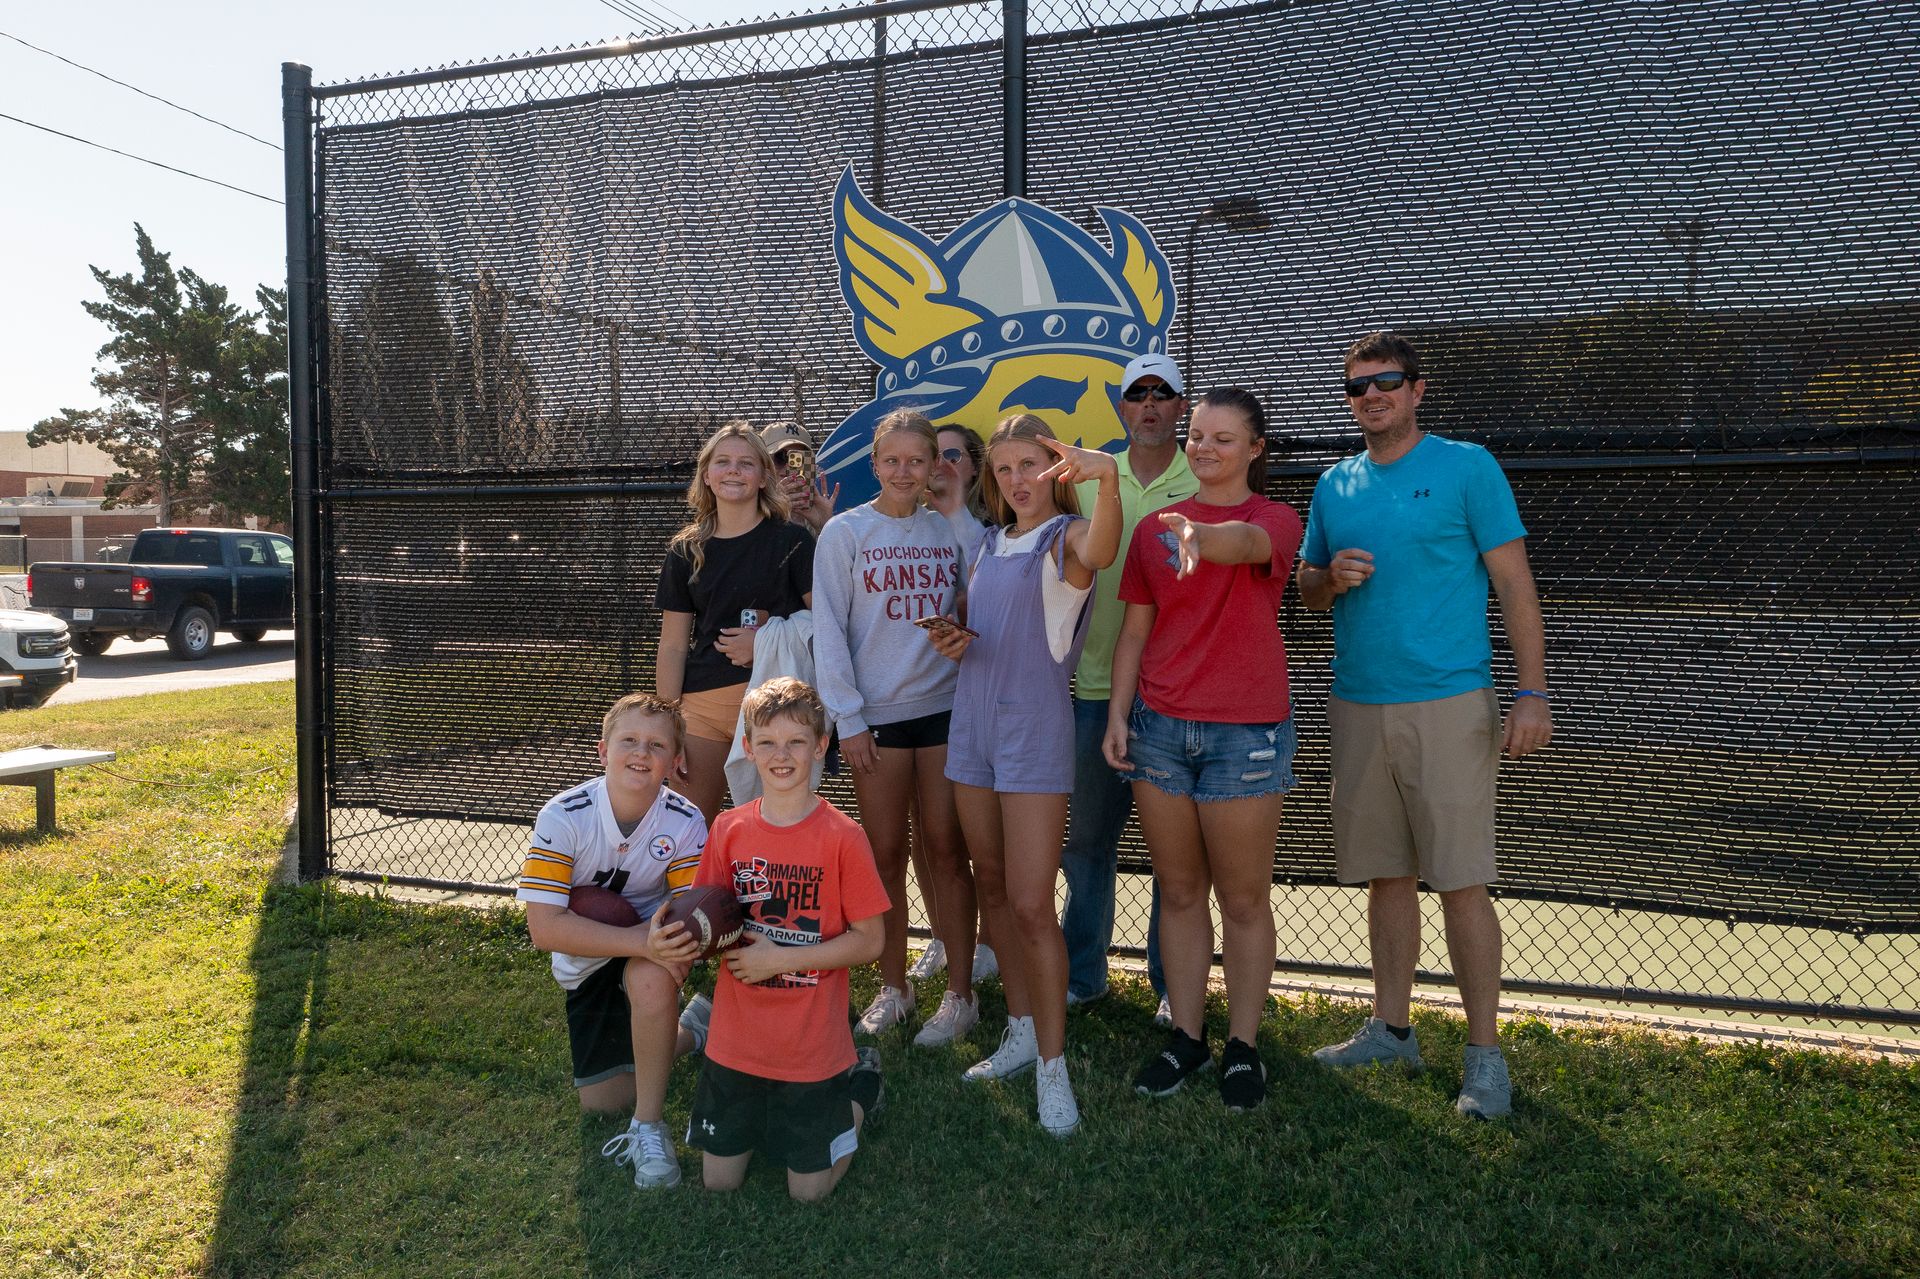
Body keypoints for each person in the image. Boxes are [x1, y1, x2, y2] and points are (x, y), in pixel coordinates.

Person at [1296, 332, 1552, 1121]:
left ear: (1417, 390)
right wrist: (1327, 579)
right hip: (1358, 701)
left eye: (1387, 381)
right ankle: (1393, 1027)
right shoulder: (1334, 486)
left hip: (1449, 702)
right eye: (1357, 386)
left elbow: (1514, 583)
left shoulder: (1466, 466)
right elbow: (1306, 587)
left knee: (1462, 881)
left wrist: (1533, 690)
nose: (1371, 395)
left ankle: (1485, 1059)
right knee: (1387, 875)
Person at [1105, 388, 1303, 1112]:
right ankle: (1186, 1037)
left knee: (1244, 899)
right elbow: (1134, 632)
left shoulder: (1273, 519)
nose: (1204, 448)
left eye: (1224, 438)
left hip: (1245, 736)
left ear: (1255, 449)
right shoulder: (1152, 526)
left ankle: (1242, 1048)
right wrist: (1118, 716)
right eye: (1197, 437)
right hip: (1159, 730)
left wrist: (1201, 538)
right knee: (1180, 892)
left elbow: (1248, 548)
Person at [926, 414, 1119, 1136]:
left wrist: (1103, 479)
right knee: (996, 884)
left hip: (1033, 734)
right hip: (972, 729)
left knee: (1036, 906)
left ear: (1056, 468)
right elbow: (982, 633)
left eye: (1030, 465)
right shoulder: (984, 544)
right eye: (1003, 468)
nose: (1016, 480)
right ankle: (1017, 1028)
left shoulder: (1063, 538)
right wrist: (953, 637)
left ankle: (1052, 1065)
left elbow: (1100, 548)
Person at [669, 677, 889, 1201]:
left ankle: (859, 1090)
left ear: (820, 747)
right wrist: (674, 936)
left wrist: (781, 958)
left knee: (807, 1195)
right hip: (735, 1041)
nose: (781, 755)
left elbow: (870, 941)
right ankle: (771, 1114)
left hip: (812, 1045)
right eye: (766, 742)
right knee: (718, 1183)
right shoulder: (728, 829)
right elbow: (707, 918)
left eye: (796, 742)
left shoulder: (843, 837)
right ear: (747, 748)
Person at [812, 409, 976, 1043]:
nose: (905, 472)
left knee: (945, 849)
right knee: (884, 854)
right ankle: (894, 986)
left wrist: (963, 635)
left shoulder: (951, 531)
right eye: (892, 460)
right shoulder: (846, 534)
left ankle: (961, 994)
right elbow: (829, 628)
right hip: (875, 719)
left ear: (935, 465)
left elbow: (975, 604)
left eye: (918, 460)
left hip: (945, 710)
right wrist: (847, 716)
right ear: (875, 465)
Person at [517, 693, 715, 1189]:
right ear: (603, 750)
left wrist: (665, 949)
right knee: (605, 1101)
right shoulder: (565, 815)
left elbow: (687, 915)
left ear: (676, 760)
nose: (641, 752)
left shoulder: (686, 821)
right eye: (629, 740)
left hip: (647, 953)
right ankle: (693, 1032)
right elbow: (544, 928)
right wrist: (637, 939)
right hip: (587, 954)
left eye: (656, 744)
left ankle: (648, 1126)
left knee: (651, 979)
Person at [1062, 353, 1197, 1020]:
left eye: (1161, 393)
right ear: (1121, 408)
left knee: (1179, 857)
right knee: (1086, 842)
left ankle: (1173, 988)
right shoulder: (1084, 481)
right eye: (1136, 393)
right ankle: (1083, 975)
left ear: (1180, 406)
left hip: (1180, 698)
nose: (1148, 404)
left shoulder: (1203, 477)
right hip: (1092, 690)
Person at [655, 420, 814, 823]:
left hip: (777, 710)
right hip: (701, 712)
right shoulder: (685, 550)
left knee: (774, 835)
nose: (734, 471)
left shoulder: (793, 542)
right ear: (706, 475)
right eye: (722, 461)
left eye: (746, 463)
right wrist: (667, 725)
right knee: (688, 833)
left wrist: (764, 641)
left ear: (763, 477)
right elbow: (673, 645)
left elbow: (824, 625)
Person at [909, 421, 999, 990]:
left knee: (981, 837)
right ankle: (944, 937)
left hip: (977, 700)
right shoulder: (901, 528)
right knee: (927, 832)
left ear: (972, 468)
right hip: (916, 704)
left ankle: (989, 943)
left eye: (950, 456)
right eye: (928, 456)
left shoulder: (991, 534)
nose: (938, 465)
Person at [761, 420, 838, 535]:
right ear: (762, 463)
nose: (788, 469)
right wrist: (773, 511)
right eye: (779, 458)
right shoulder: (749, 512)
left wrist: (825, 526)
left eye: (798, 460)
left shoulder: (814, 514)